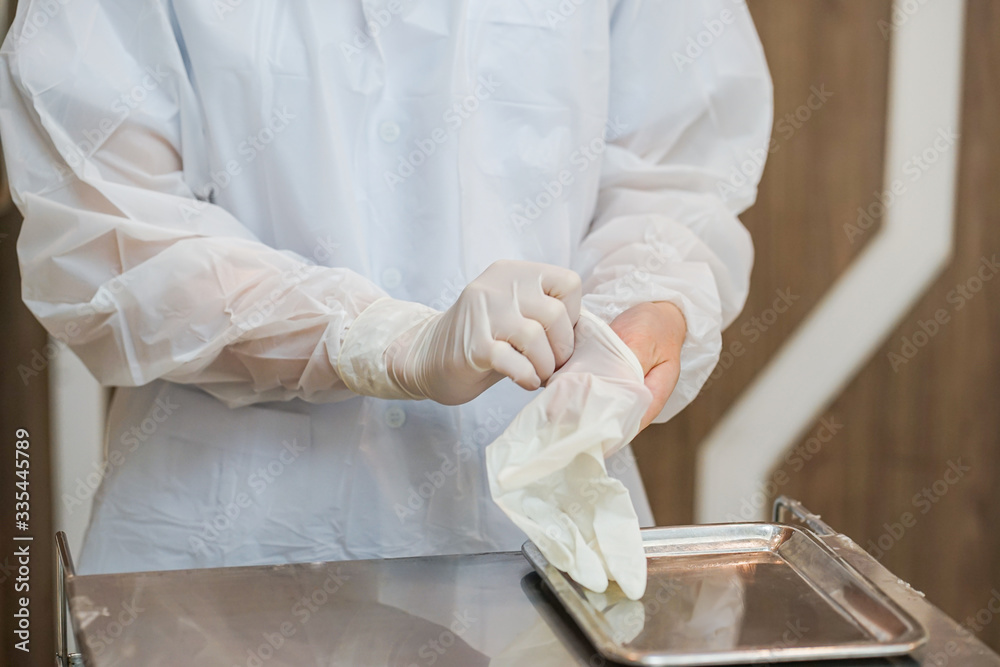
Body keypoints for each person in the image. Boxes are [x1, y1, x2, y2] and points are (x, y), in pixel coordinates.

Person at [0, 0, 771, 575]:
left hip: (535, 546)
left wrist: (644, 305)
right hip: (224, 551)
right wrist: (381, 340)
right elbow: (102, 232)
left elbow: (677, 173)